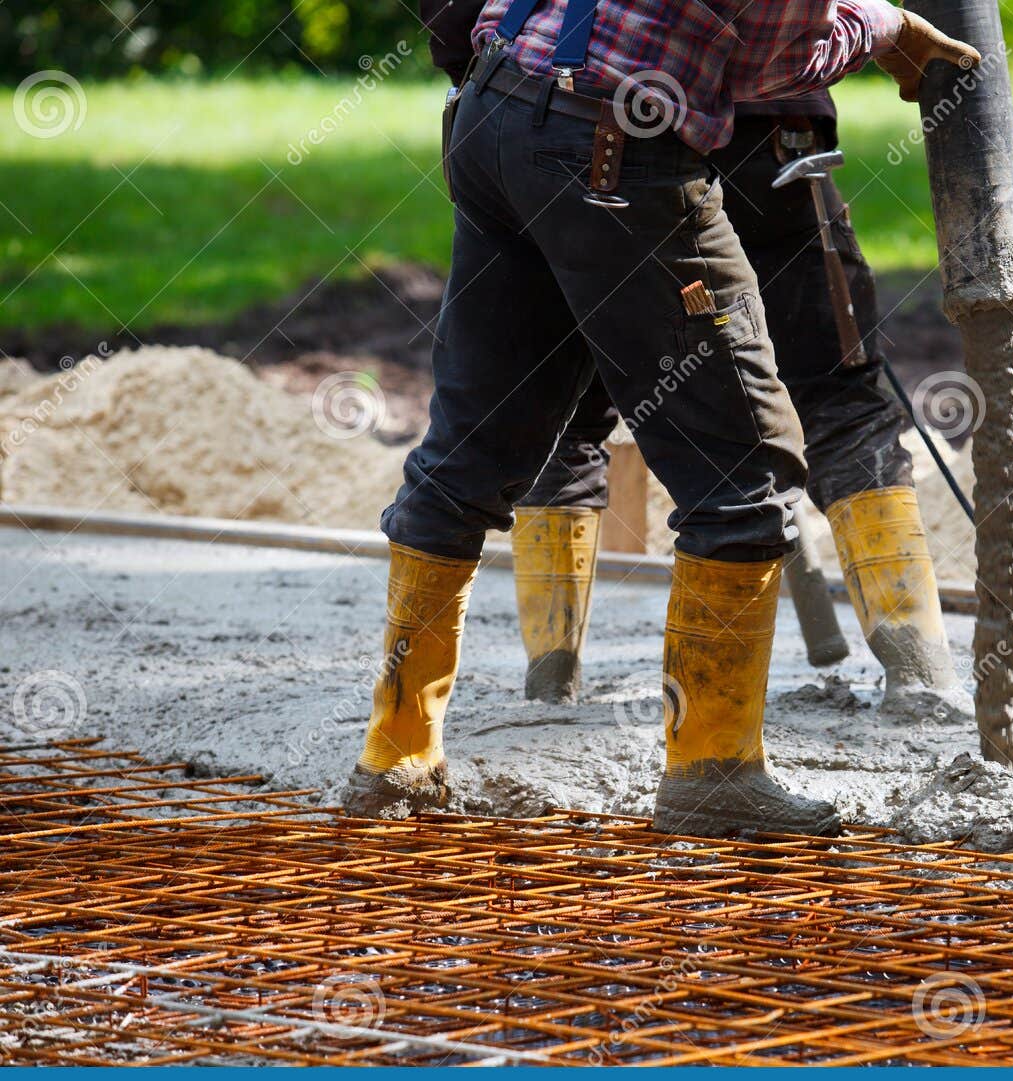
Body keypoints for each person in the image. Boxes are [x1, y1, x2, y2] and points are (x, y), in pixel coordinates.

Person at [348, 0, 977, 836]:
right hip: (611, 151)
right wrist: (885, 29)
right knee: (747, 465)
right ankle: (713, 770)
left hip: (496, 111)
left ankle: (397, 758)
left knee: (469, 452)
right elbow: (761, 68)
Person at [512, 91, 970, 722]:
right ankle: (920, 671)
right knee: (840, 399)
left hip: (574, 139)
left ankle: (549, 684)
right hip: (756, 138)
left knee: (563, 415)